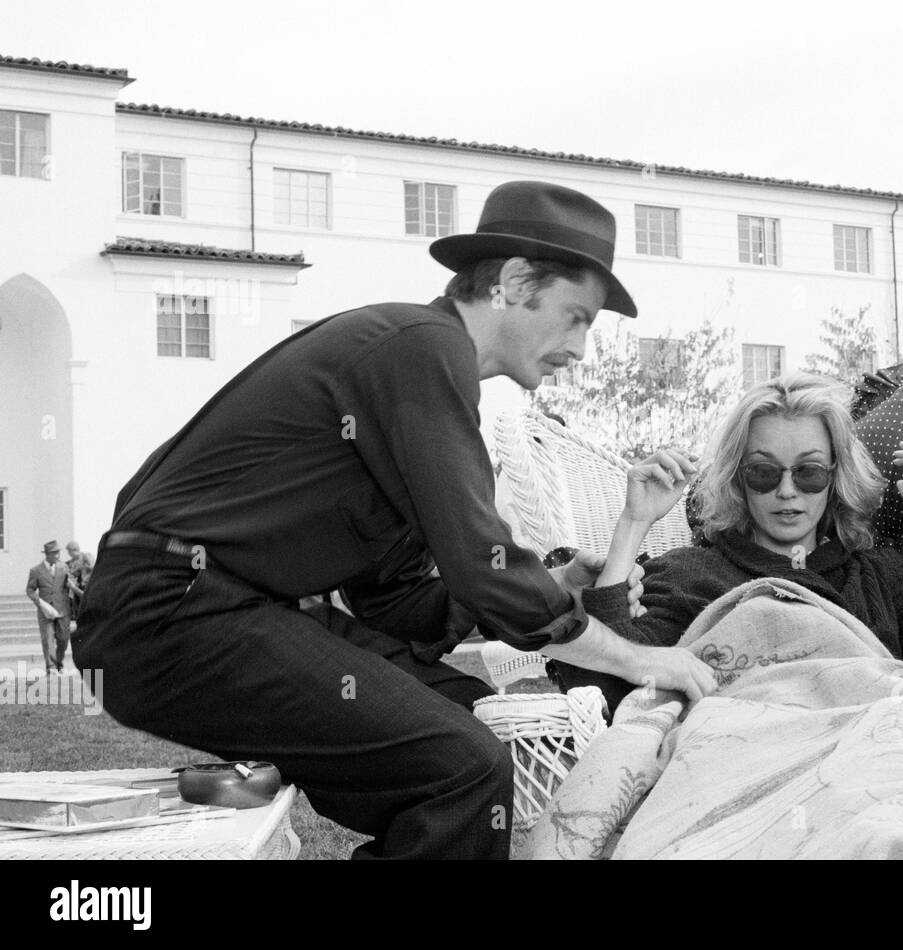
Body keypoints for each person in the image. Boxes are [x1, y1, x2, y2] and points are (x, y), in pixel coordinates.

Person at [74, 180, 716, 860]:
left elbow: (403, 605)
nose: (581, 347)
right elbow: (481, 566)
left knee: (472, 716)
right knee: (460, 767)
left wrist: (557, 581)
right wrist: (642, 658)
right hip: (171, 613)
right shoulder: (421, 348)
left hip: (226, 610)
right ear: (515, 281)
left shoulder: (428, 385)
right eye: (576, 316)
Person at [553, 373, 903, 712]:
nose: (786, 492)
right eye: (763, 472)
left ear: (836, 477)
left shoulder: (883, 575)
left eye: (809, 472)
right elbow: (606, 687)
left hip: (873, 765)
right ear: (738, 479)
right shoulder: (690, 573)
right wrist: (632, 524)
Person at [26, 540, 73, 674]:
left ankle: (59, 663)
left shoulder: (64, 567)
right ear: (46, 554)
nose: (57, 556)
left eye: (58, 552)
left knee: (63, 639)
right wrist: (40, 603)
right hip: (45, 611)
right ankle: (51, 668)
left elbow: (68, 585)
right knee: (47, 639)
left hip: (62, 609)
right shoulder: (36, 570)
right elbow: (29, 590)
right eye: (54, 553)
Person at [64, 540, 94, 622]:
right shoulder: (71, 563)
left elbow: (85, 595)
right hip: (76, 597)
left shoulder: (85, 558)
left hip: (83, 596)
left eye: (69, 551)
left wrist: (73, 586)